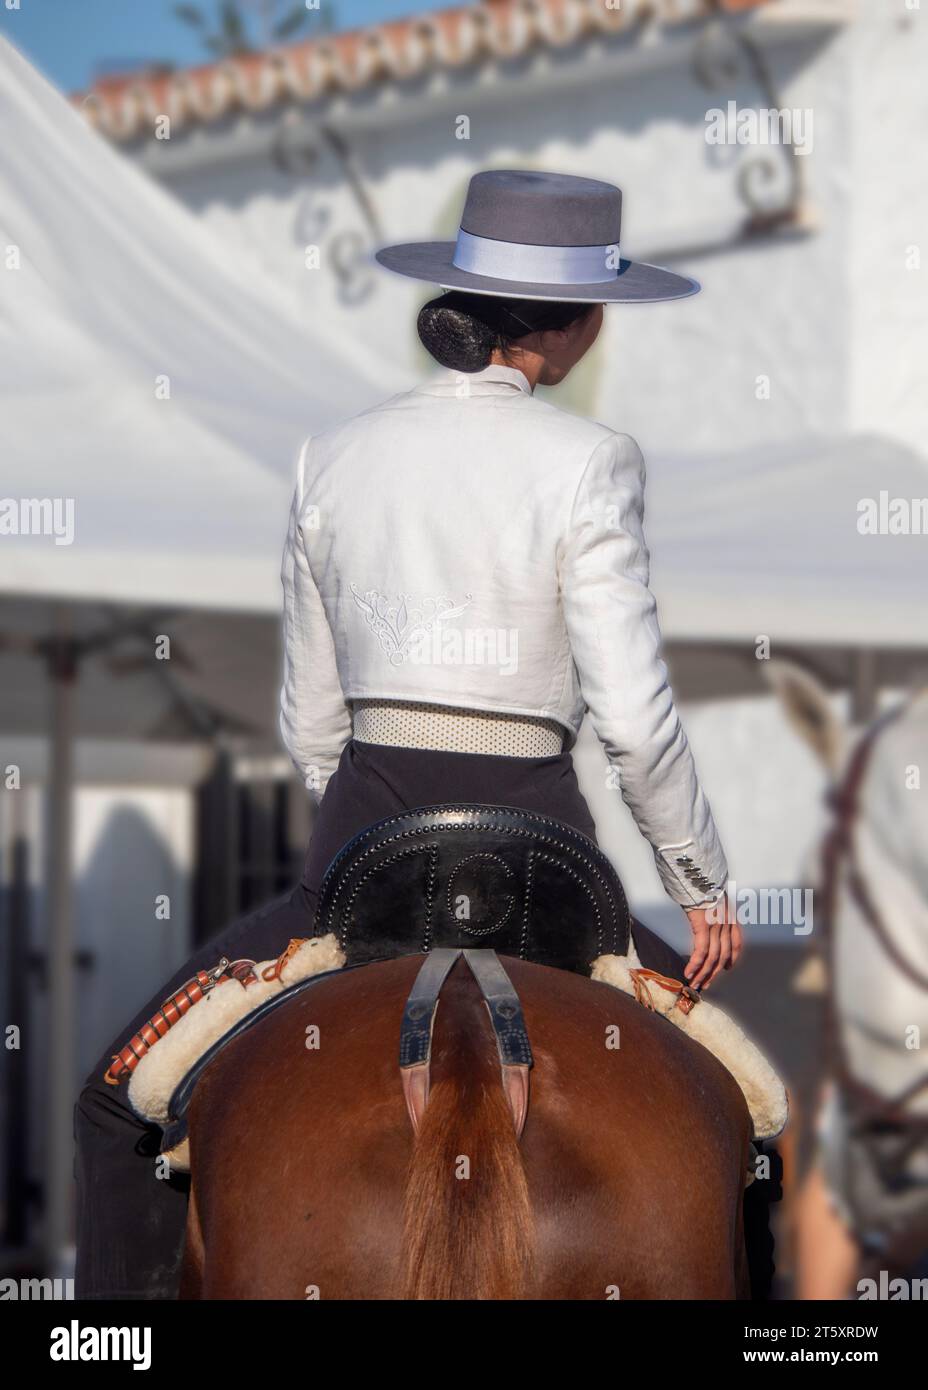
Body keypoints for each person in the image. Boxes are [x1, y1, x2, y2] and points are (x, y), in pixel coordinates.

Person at [75, 169, 742, 1299]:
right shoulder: (592, 462)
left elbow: (312, 716)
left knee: (114, 1103)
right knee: (748, 1111)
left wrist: (357, 825)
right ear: (580, 324)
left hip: (365, 842)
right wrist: (703, 881)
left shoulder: (330, 456)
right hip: (545, 852)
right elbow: (631, 716)